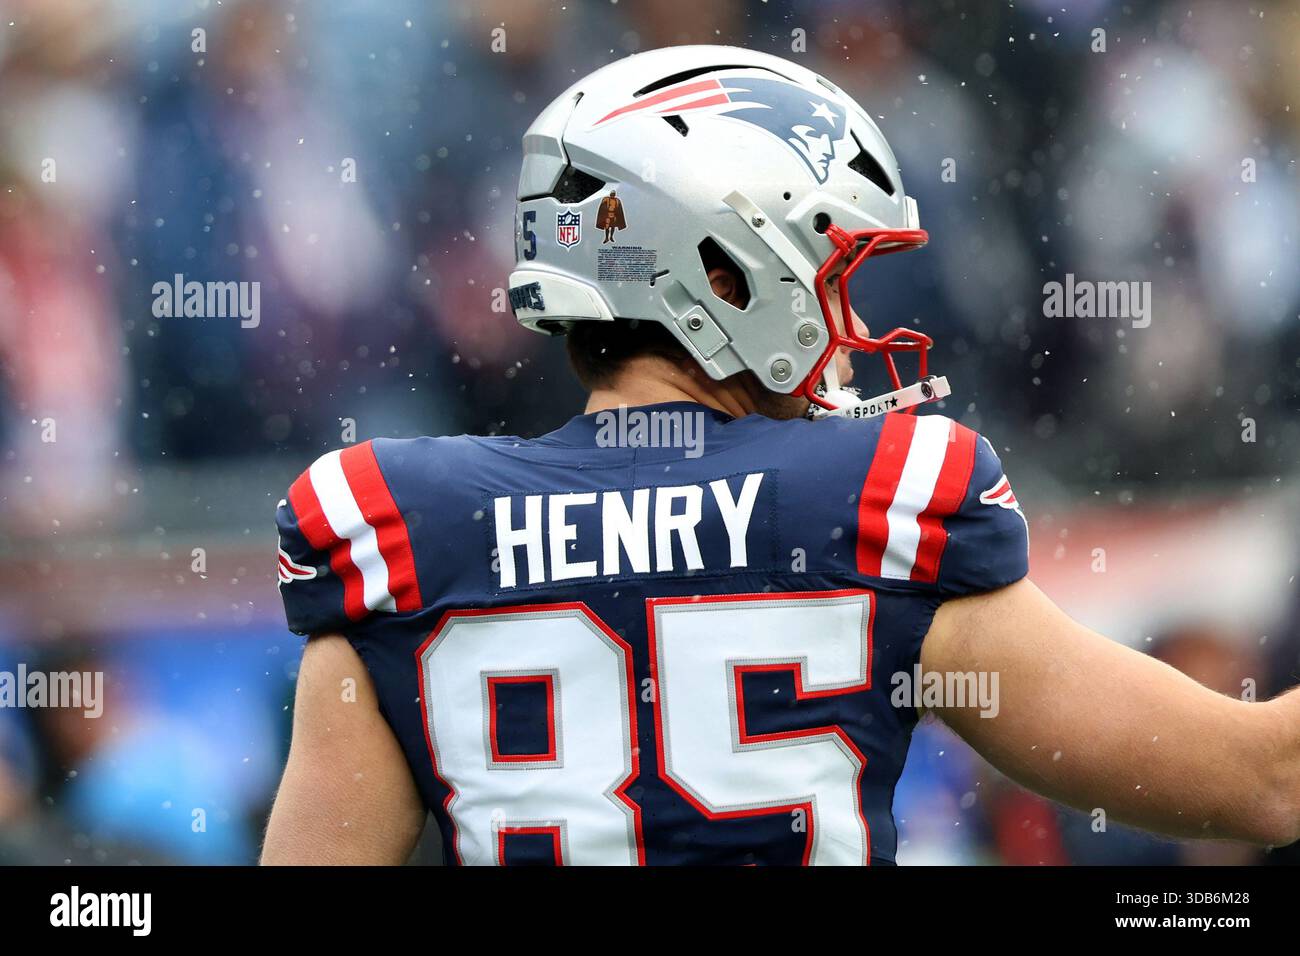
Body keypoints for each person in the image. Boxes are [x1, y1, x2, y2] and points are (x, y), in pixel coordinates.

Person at [261, 46, 1300, 865]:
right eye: (829, 270)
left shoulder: (403, 536)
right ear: (725, 271)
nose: (847, 323)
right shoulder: (866, 507)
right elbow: (1267, 777)